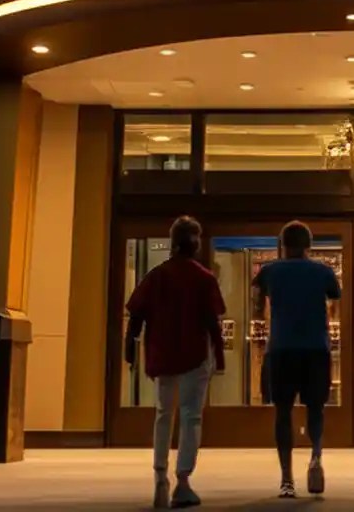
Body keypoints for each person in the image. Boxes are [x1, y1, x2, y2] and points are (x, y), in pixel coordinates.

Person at [125, 216, 226, 509]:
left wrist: (130, 349)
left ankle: (159, 475)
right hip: (194, 355)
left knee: (163, 413)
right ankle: (183, 480)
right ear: (195, 242)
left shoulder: (156, 275)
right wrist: (218, 357)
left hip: (162, 354)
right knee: (191, 416)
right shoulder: (204, 278)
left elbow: (136, 313)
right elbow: (212, 321)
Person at [253, 221, 342, 499]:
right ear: (309, 245)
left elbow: (257, 307)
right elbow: (335, 301)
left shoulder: (268, 272)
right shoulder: (323, 272)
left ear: (283, 244)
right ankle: (315, 456)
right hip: (316, 347)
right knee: (316, 408)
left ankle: (287, 478)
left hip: (281, 348)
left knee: (283, 412)